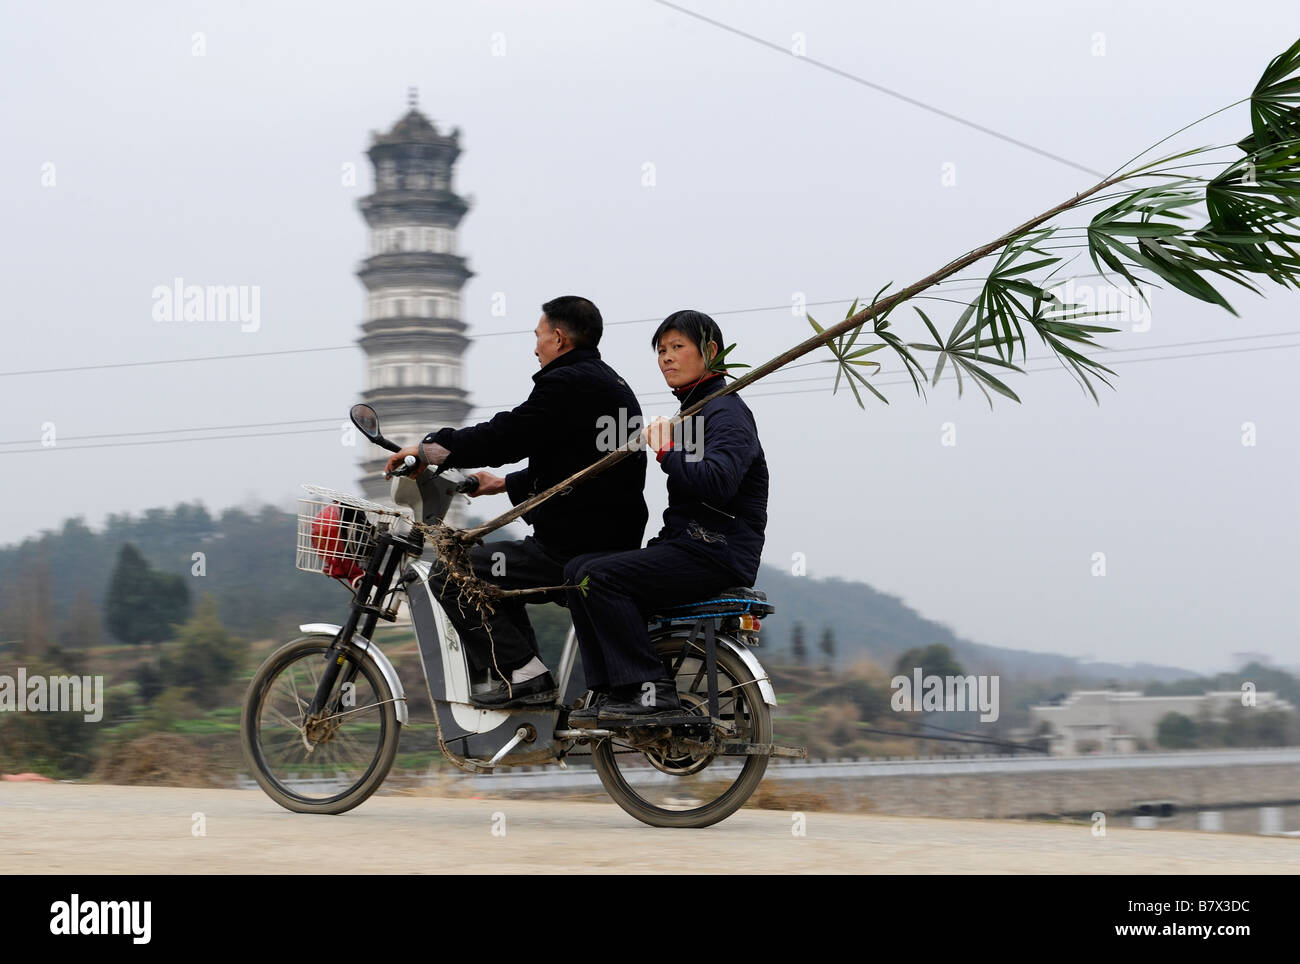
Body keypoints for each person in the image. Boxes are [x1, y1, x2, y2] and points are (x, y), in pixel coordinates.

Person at [384, 295, 648, 707]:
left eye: (539, 336)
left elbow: (506, 435)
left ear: (559, 338)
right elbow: (578, 467)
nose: (535, 346)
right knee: (494, 573)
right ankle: (528, 675)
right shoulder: (608, 382)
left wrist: (431, 447)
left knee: (449, 576)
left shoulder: (565, 383)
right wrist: (503, 484)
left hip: (575, 545)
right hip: (611, 534)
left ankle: (527, 678)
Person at [563, 310, 768, 722]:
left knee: (597, 578)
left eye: (678, 347)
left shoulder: (726, 412)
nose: (666, 358)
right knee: (578, 570)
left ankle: (648, 691)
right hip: (691, 545)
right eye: (661, 350)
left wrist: (665, 449)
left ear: (710, 352)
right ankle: (608, 692)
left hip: (717, 552)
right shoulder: (696, 412)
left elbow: (718, 482)